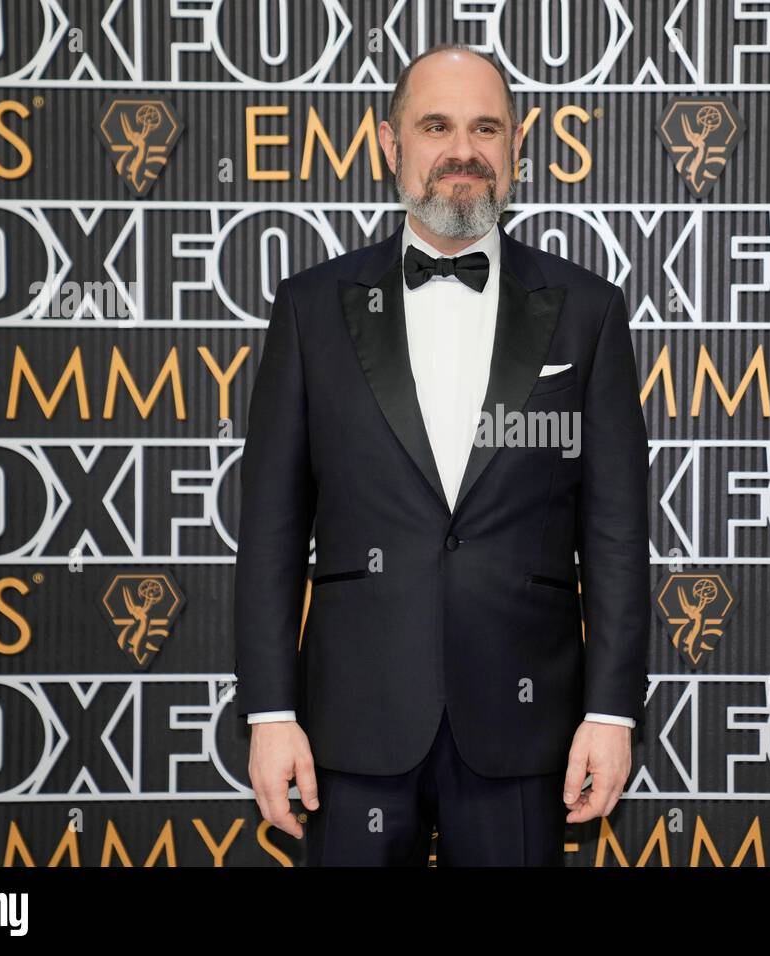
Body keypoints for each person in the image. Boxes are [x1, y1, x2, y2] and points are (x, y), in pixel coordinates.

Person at [232, 43, 650, 866]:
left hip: (525, 731)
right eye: (436, 126)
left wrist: (610, 713)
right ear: (390, 144)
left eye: (485, 128)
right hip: (352, 726)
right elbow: (272, 532)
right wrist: (270, 714)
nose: (463, 151)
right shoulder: (311, 310)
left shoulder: (588, 311)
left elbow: (614, 534)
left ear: (517, 145)